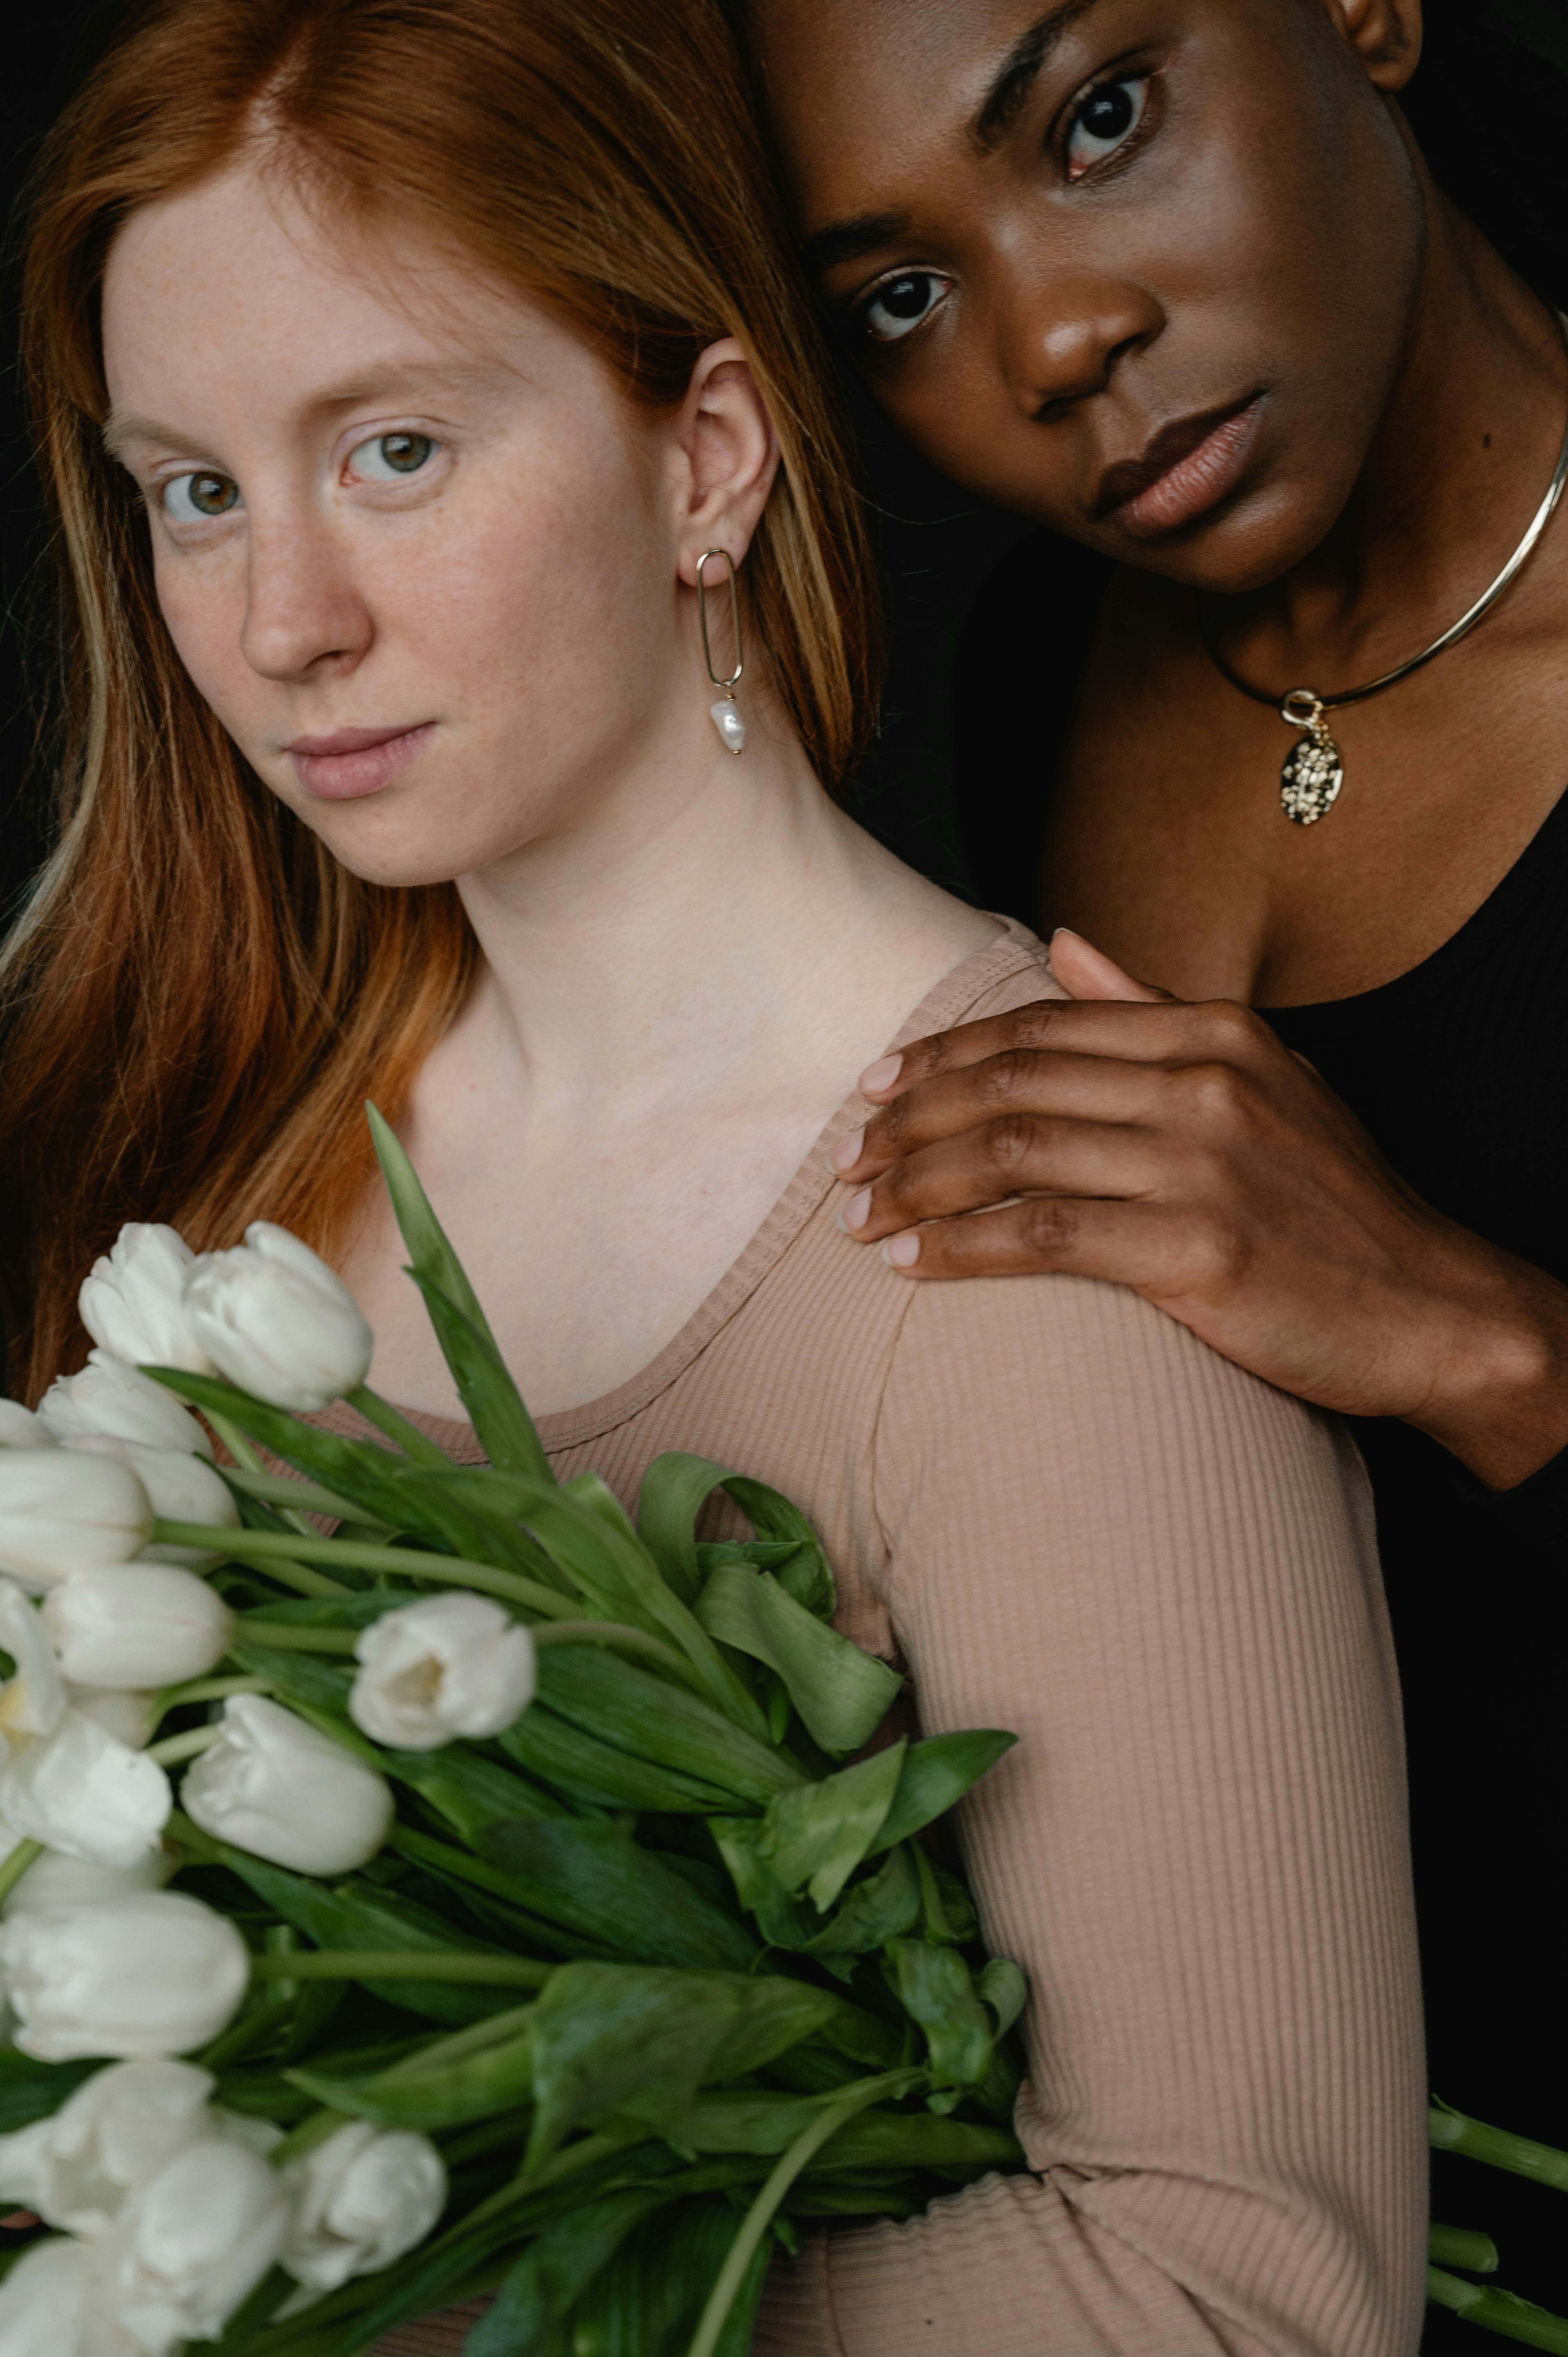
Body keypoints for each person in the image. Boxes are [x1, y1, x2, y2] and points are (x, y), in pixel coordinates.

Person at [0, 2, 1425, 2351]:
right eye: (197, 490)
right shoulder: (226, 1147)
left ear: (711, 458)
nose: (280, 627)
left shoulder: (1037, 1221)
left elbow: (1242, 2292)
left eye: (396, 448)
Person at [737, 0, 1568, 2322]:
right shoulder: (1027, 692)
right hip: (1247, 2209)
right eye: (900, 295)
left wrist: (1472, 1337)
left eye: (1098, 120)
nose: (1054, 335)